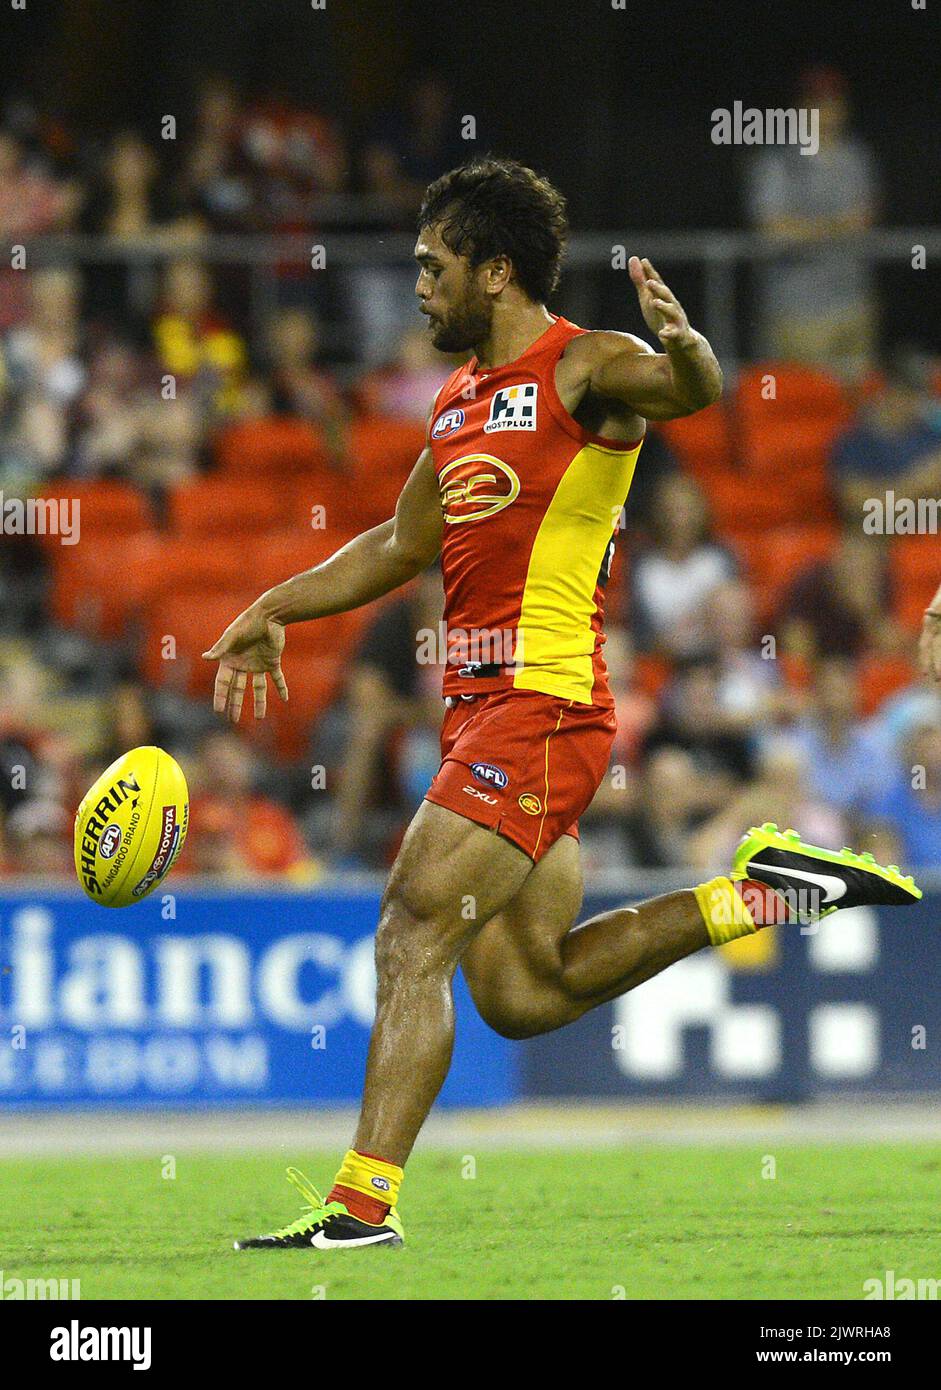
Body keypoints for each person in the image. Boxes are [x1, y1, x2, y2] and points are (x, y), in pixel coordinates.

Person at [204, 158, 921, 1251]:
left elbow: (688, 392)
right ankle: (759, 896)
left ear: (494, 271)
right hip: (479, 717)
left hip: (541, 708)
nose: (416, 288)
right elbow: (401, 545)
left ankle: (360, 1207)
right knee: (525, 993)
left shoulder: (585, 365)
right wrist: (274, 604)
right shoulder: (456, 403)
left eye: (431, 266)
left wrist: (686, 347)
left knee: (408, 927)